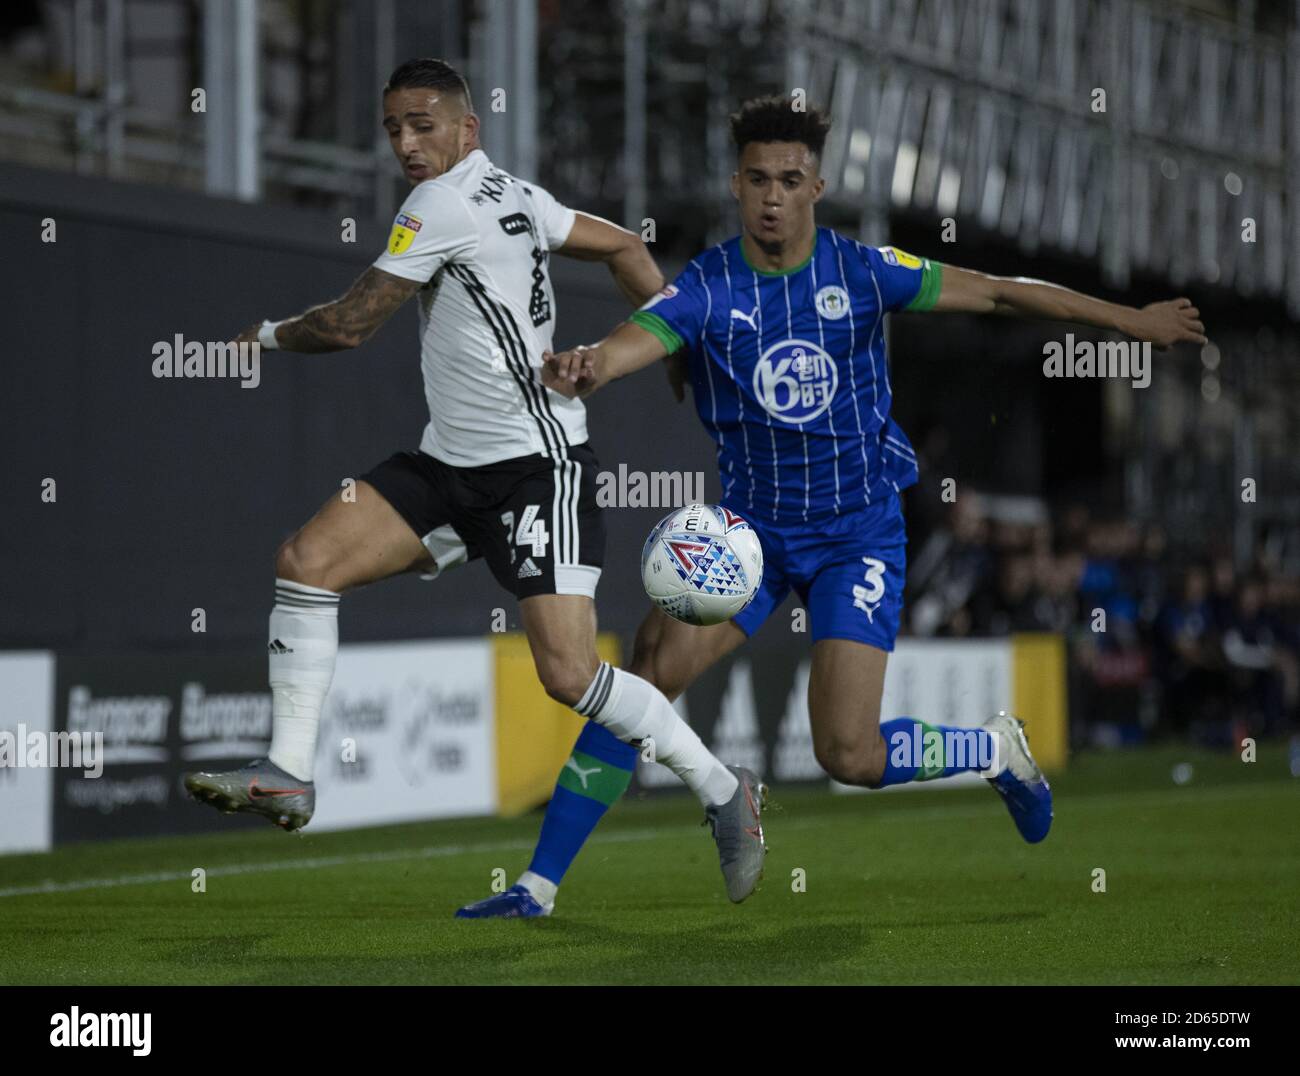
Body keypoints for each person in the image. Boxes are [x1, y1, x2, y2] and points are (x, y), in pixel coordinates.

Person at [456, 92, 1207, 918]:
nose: (771, 196)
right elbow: (632, 343)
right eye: (755, 179)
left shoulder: (862, 272)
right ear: (735, 187)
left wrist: (1128, 320)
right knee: (645, 674)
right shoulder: (710, 287)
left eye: (789, 178)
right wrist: (589, 365)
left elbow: (997, 292)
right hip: (753, 539)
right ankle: (538, 885)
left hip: (859, 533)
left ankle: (994, 752)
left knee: (848, 753)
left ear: (816, 187)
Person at [183, 58, 766, 905]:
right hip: (450, 466)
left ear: (467, 129)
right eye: (393, 129)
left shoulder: (443, 202)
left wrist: (263, 337)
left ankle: (723, 791)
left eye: (423, 125)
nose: (407, 145)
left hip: (538, 470)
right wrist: (676, 354)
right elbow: (627, 246)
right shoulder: (519, 195)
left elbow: (350, 326)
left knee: (567, 676)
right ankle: (289, 773)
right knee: (307, 562)